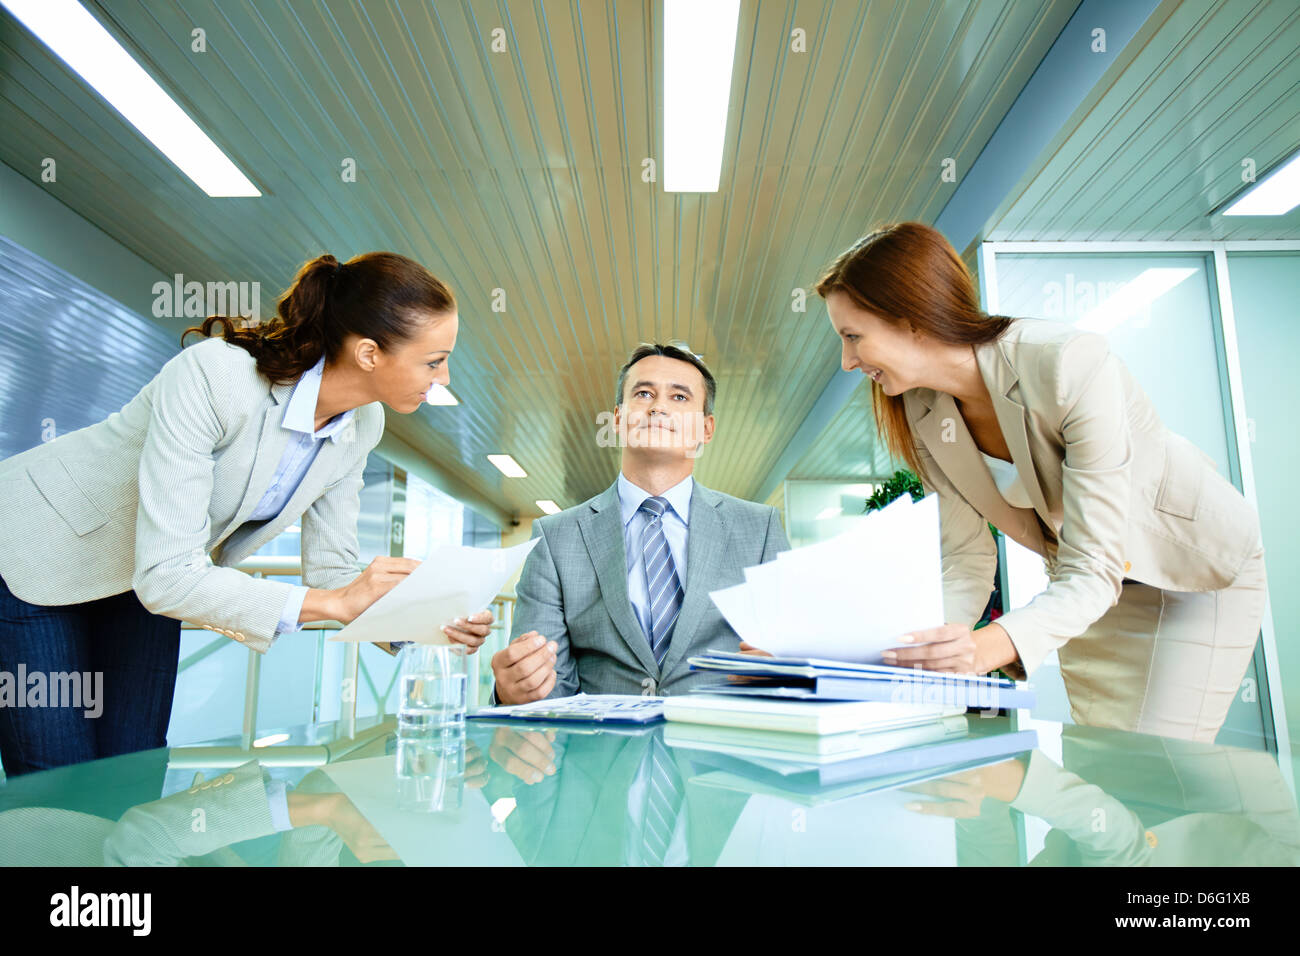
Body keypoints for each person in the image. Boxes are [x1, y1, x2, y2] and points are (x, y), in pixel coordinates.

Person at [0, 252, 492, 776]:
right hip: (40, 548)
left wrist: (421, 620)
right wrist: (335, 602)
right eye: (434, 361)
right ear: (370, 353)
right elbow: (172, 576)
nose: (442, 378)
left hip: (141, 578)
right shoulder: (216, 376)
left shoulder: (362, 424)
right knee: (59, 781)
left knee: (131, 770)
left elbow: (333, 572)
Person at [812, 222, 1267, 743]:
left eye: (853, 337)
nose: (847, 361)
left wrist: (982, 650)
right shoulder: (920, 411)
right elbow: (966, 561)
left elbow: (1096, 564)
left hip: (1188, 574)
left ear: (911, 319)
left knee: (1156, 768)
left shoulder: (1064, 362)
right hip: (1086, 593)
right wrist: (909, 652)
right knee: (1101, 765)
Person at [489, 343, 789, 704]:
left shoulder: (759, 529)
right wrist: (513, 691)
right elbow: (546, 694)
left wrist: (787, 670)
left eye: (679, 397)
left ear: (706, 429)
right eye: (644, 393)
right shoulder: (556, 538)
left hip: (716, 753)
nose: (659, 407)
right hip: (598, 754)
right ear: (617, 418)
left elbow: (789, 661)